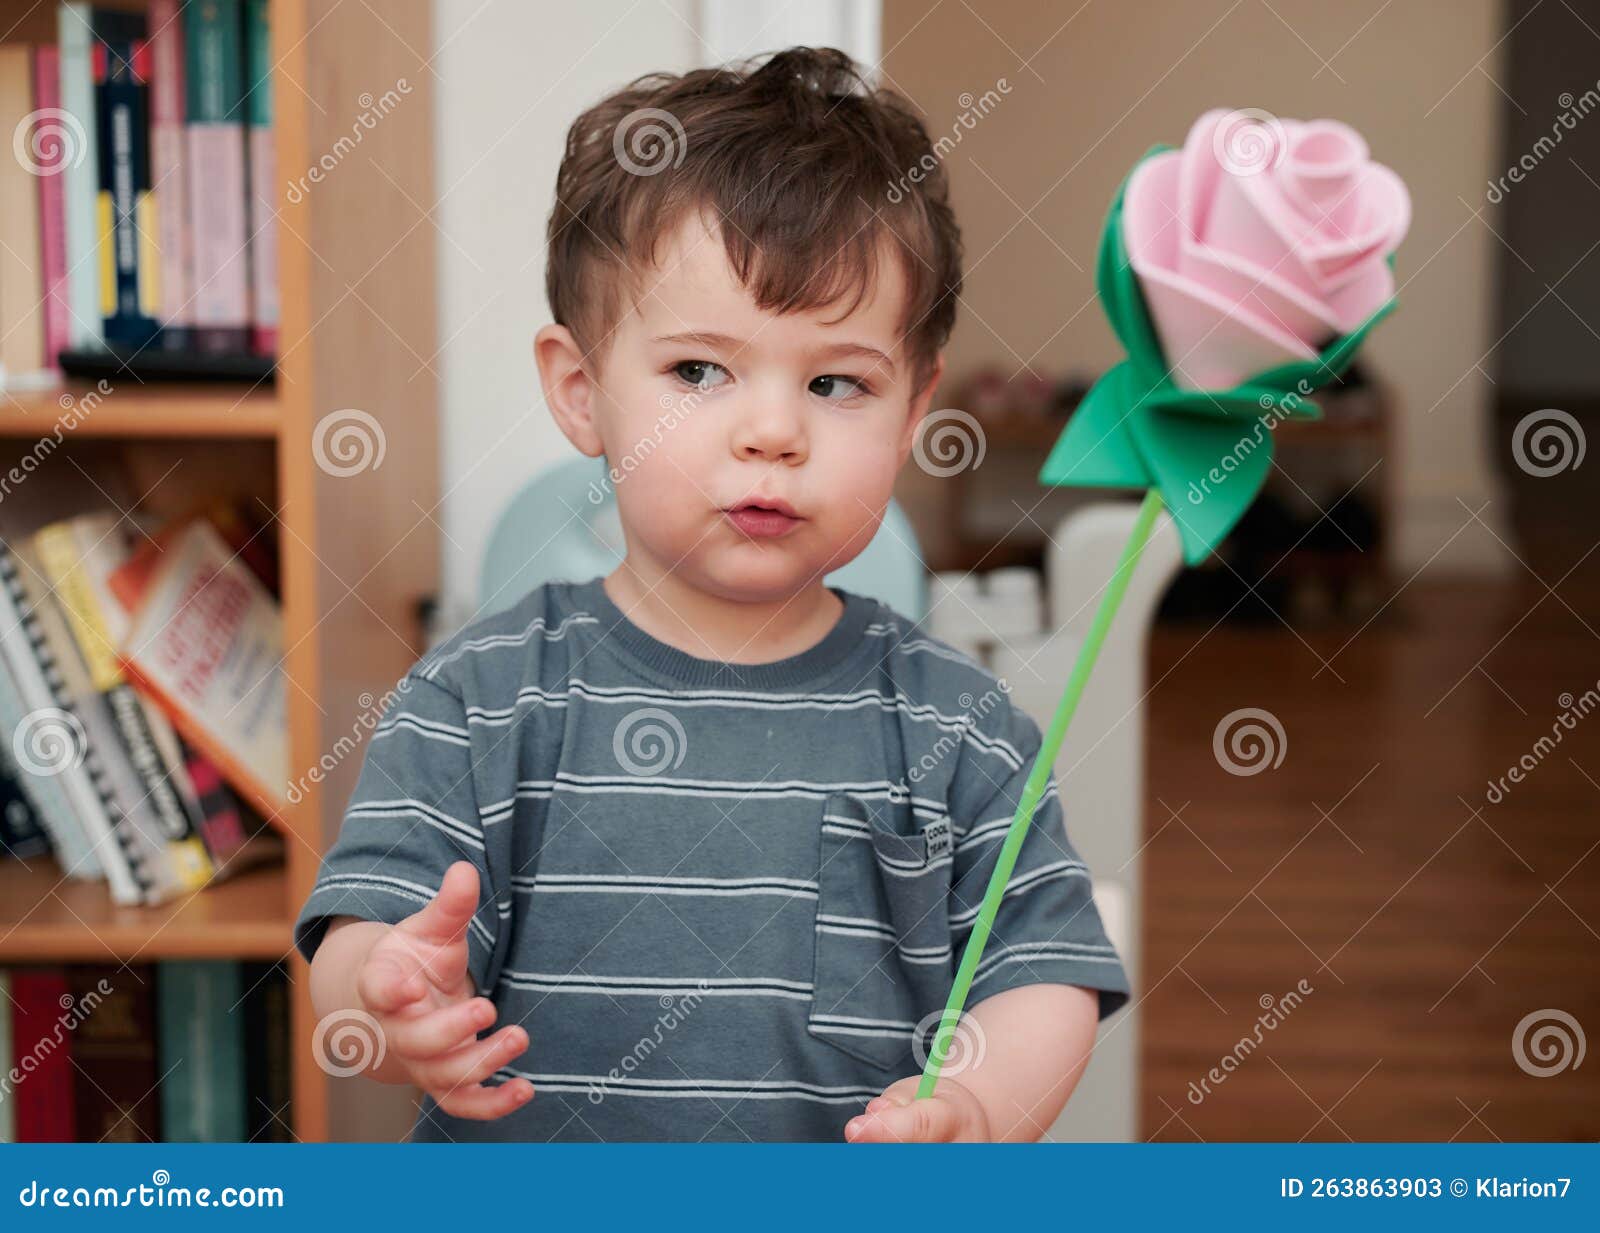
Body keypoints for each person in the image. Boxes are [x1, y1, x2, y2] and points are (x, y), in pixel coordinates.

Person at [294, 46, 1127, 1143]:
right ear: (580, 390)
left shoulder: (958, 726)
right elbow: (364, 931)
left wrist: (979, 1104)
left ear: (913, 411)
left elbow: (1042, 973)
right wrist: (390, 994)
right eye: (699, 371)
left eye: (837, 382)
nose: (772, 431)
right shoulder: (479, 696)